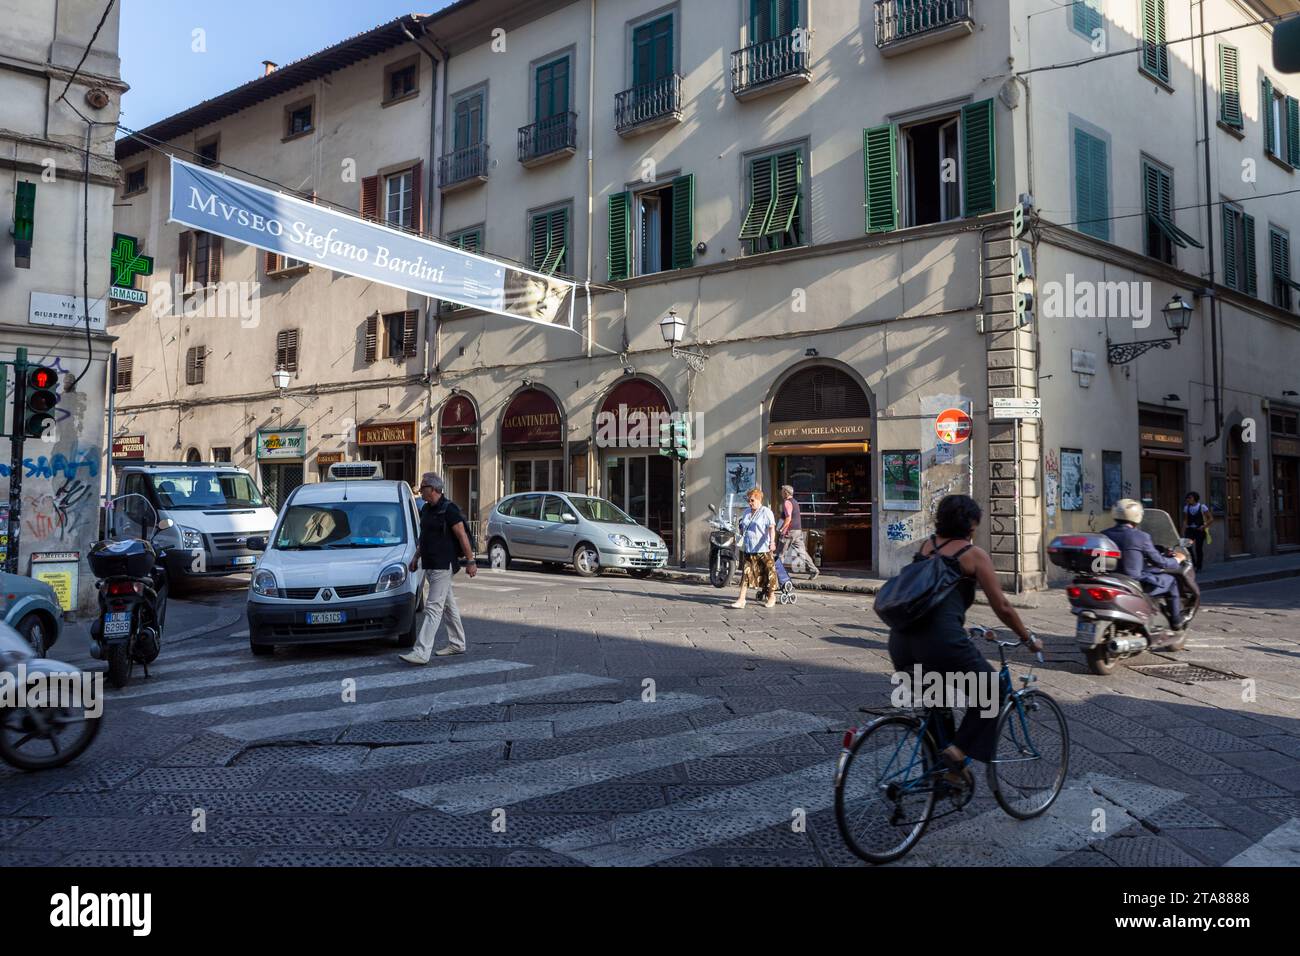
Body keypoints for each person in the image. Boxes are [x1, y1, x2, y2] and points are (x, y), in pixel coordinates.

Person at [888, 494, 1040, 793]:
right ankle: (956, 755)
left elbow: (933, 597)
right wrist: (1028, 638)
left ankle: (943, 774)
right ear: (971, 524)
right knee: (993, 691)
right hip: (942, 644)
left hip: (902, 642)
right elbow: (1003, 607)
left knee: (936, 705)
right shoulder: (974, 555)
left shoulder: (926, 546)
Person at [399, 472, 477, 665]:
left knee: (433, 608)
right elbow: (424, 538)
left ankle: (421, 651)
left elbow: (462, 536)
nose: (420, 491)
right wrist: (416, 557)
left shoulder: (449, 509)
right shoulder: (426, 509)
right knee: (448, 606)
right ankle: (457, 643)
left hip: (444, 565)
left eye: (423, 487)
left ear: (433, 489)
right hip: (430, 564)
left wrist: (471, 561)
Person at [1104, 498, 1186, 650]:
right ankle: (1176, 622)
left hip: (1111, 580)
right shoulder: (1141, 536)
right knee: (1172, 581)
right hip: (1135, 582)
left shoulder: (1105, 534)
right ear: (1137, 516)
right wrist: (1177, 559)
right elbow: (1159, 561)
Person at [731, 487, 777, 609]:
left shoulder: (766, 512)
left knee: (769, 573)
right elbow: (742, 527)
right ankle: (741, 600)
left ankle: (771, 596)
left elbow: (772, 528)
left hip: (763, 548)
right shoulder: (746, 512)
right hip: (749, 548)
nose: (750, 503)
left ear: (758, 499)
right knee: (746, 574)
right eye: (749, 501)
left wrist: (772, 542)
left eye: (752, 500)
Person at [777, 485, 819, 580]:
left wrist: (782, 528)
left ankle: (777, 574)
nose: (781, 492)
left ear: (786, 493)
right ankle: (814, 570)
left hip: (789, 531)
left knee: (780, 553)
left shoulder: (787, 502)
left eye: (782, 491)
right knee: (802, 552)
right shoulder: (795, 502)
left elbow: (788, 518)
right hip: (797, 531)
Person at [1182, 492, 1212, 571]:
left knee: (1198, 548)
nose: (1188, 499)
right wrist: (1183, 531)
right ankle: (1193, 564)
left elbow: (1211, 519)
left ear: (1195, 498)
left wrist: (1204, 526)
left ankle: (1199, 566)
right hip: (1189, 530)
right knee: (1187, 547)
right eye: (1187, 498)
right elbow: (1185, 520)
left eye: (1190, 498)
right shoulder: (1186, 508)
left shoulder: (1202, 507)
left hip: (1199, 530)